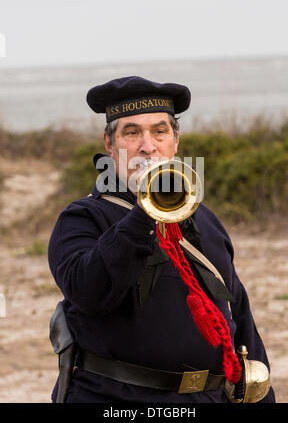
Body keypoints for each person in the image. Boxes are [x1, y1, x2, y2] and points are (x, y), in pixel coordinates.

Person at [48, 76, 275, 403]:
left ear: (175, 141)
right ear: (109, 144)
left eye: (159, 131)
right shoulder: (81, 218)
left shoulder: (205, 218)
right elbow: (90, 292)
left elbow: (237, 314)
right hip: (116, 400)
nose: (148, 145)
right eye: (131, 132)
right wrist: (143, 214)